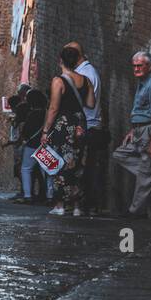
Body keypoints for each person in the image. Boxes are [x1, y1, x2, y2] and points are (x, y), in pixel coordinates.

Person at [112, 50, 151, 217]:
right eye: (134, 66)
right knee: (119, 154)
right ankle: (150, 174)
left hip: (148, 131)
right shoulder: (142, 82)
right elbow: (142, 110)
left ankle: (135, 211)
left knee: (146, 170)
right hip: (138, 130)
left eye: (140, 66)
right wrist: (132, 129)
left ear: (149, 66)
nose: (136, 69)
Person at [40, 44, 95, 216]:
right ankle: (78, 206)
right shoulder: (86, 80)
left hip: (63, 126)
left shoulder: (58, 81)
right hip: (80, 124)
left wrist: (45, 131)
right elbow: (91, 104)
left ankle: (60, 205)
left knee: (60, 164)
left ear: (60, 61)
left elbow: (54, 108)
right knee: (78, 165)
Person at [65, 42, 107, 215]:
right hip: (91, 125)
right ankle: (86, 204)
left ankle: (83, 204)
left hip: (87, 126)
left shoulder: (82, 75)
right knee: (88, 167)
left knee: (82, 168)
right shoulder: (89, 72)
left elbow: (84, 104)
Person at [11, 86, 47, 204]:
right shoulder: (46, 114)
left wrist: (23, 139)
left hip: (31, 145)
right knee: (46, 170)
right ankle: (50, 195)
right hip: (44, 145)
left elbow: (26, 131)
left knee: (26, 169)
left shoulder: (31, 115)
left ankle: (27, 195)